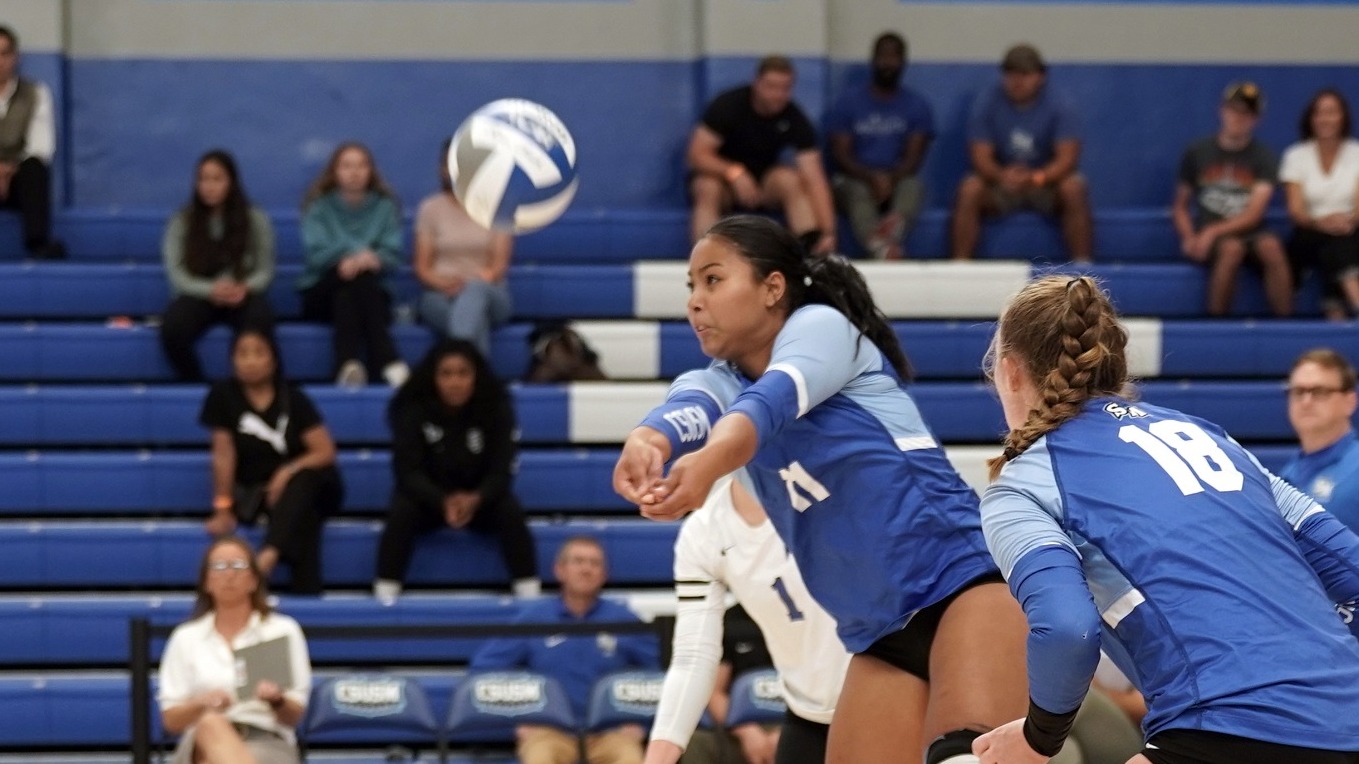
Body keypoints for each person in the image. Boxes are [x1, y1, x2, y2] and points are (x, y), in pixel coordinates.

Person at [613, 214, 1028, 764]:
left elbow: (763, 411)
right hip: (880, 632)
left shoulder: (822, 329)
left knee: (964, 757)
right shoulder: (715, 379)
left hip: (966, 586)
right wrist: (646, 443)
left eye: (713, 280)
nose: (694, 300)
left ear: (772, 288)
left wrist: (707, 463)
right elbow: (684, 411)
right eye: (691, 286)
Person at [972, 274, 1359, 764]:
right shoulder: (1212, 438)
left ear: (1009, 373)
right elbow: (1350, 568)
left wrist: (1035, 740)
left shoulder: (1024, 482)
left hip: (1223, 728)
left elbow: (1068, 628)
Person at [647, 477, 850, 764]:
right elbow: (693, 657)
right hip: (808, 710)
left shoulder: (831, 490)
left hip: (885, 694)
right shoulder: (703, 530)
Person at [372, 338, 540, 604]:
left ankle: (530, 596)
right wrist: (442, 500)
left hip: (480, 499)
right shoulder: (412, 409)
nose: (455, 382)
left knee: (510, 510)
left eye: (463, 373)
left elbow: (502, 470)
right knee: (401, 511)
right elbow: (407, 472)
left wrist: (476, 499)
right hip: (427, 499)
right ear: (433, 377)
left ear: (475, 376)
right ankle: (384, 597)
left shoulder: (496, 407)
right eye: (446, 374)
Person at [470, 536, 660, 764]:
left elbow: (662, 674)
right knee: (539, 757)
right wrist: (518, 718)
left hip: (611, 733)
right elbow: (483, 670)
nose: (586, 569)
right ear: (559, 570)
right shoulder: (535, 619)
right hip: (549, 732)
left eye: (594, 563)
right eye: (578, 561)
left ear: (605, 575)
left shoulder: (625, 621)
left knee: (630, 757)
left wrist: (641, 722)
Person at [199, 329, 343, 595]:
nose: (250, 361)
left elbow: (324, 451)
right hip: (262, 494)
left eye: (258, 353)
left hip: (315, 485)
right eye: (242, 354)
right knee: (305, 517)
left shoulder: (294, 397)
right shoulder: (223, 396)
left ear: (273, 360)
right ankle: (308, 598)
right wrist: (222, 508)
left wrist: (287, 471)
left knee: (304, 480)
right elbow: (223, 455)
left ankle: (268, 555)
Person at [159, 536, 312, 764]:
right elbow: (171, 721)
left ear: (253, 580)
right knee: (211, 724)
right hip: (199, 745)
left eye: (238, 566)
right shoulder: (186, 637)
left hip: (267, 740)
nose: (229, 574)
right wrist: (202, 703)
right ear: (207, 581)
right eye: (219, 566)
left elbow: (295, 716)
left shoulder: (283, 630)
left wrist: (277, 700)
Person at [951, 44, 1091, 262]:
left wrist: (1037, 178)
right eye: (1011, 74)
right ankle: (960, 264)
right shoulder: (986, 102)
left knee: (1074, 188)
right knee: (970, 189)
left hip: (1045, 183)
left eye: (1025, 74)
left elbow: (1067, 158)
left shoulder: (1061, 104)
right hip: (1002, 182)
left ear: (1040, 76)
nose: (1017, 81)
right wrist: (1001, 176)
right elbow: (980, 155)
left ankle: (1083, 265)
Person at [687, 56, 837, 255]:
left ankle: (811, 253)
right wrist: (734, 173)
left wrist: (828, 231)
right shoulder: (729, 105)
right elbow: (696, 154)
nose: (778, 95)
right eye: (772, 87)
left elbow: (814, 177)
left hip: (763, 185)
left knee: (790, 180)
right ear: (756, 83)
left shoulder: (795, 118)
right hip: (725, 183)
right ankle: (706, 258)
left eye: (785, 88)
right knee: (707, 187)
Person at [1172, 82, 1291, 317]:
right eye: (1233, 110)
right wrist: (1188, 237)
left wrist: (1212, 232)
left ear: (1256, 119)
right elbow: (1180, 206)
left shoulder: (1264, 157)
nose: (1238, 118)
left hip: (1249, 230)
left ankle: (1288, 324)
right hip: (1214, 234)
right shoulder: (1197, 152)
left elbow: (1255, 213)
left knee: (1272, 246)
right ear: (1222, 110)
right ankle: (1216, 325)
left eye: (1246, 113)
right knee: (1231, 249)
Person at [299, 141, 410, 388]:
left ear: (371, 171)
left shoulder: (384, 206)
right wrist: (350, 258)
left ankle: (347, 366)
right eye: (347, 166)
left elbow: (393, 256)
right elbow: (315, 255)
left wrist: (371, 260)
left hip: (367, 293)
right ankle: (388, 360)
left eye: (361, 165)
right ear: (334, 172)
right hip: (321, 291)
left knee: (351, 290)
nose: (354, 172)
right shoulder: (319, 207)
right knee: (353, 281)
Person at [160, 149, 276, 381]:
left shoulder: (255, 218)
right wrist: (210, 290)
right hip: (199, 294)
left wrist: (244, 288)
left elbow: (265, 270)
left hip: (242, 294)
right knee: (173, 328)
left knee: (260, 320)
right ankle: (195, 386)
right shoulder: (182, 220)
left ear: (231, 182)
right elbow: (177, 275)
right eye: (203, 179)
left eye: (217, 179)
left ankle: (252, 390)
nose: (209, 186)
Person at [826, 32, 934, 260]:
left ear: (903, 62)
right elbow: (841, 155)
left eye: (894, 57)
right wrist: (871, 177)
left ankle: (890, 235)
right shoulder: (848, 102)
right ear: (873, 59)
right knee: (858, 191)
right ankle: (880, 247)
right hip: (854, 177)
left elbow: (914, 159)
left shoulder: (917, 105)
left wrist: (889, 180)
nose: (888, 63)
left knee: (913, 186)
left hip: (897, 178)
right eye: (883, 56)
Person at [414, 137, 513, 357]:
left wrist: (468, 285)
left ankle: (457, 358)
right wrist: (444, 283)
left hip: (490, 293)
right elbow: (423, 268)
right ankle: (477, 378)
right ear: (441, 170)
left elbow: (497, 268)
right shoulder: (430, 209)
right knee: (474, 319)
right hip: (440, 294)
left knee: (474, 293)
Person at [1282, 89, 1359, 319]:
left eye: (1331, 112)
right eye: (1319, 113)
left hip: (1350, 229)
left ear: (1343, 117)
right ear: (1311, 118)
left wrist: (1348, 221)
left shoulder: (1356, 153)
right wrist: (1320, 222)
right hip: (1309, 230)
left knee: (1338, 244)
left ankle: (1335, 311)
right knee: (1331, 244)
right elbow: (1296, 210)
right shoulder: (1296, 155)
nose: (1325, 118)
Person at [0, 25, 62, 260]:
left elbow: (41, 147)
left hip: (17, 182)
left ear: (15, 57)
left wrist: (7, 170)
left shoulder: (36, 93)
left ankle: (37, 245)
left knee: (35, 168)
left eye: (5, 54)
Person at [1280, 348, 1359, 533]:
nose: (1306, 401)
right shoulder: (1285, 476)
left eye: (1319, 391)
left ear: (1350, 402)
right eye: (1298, 391)